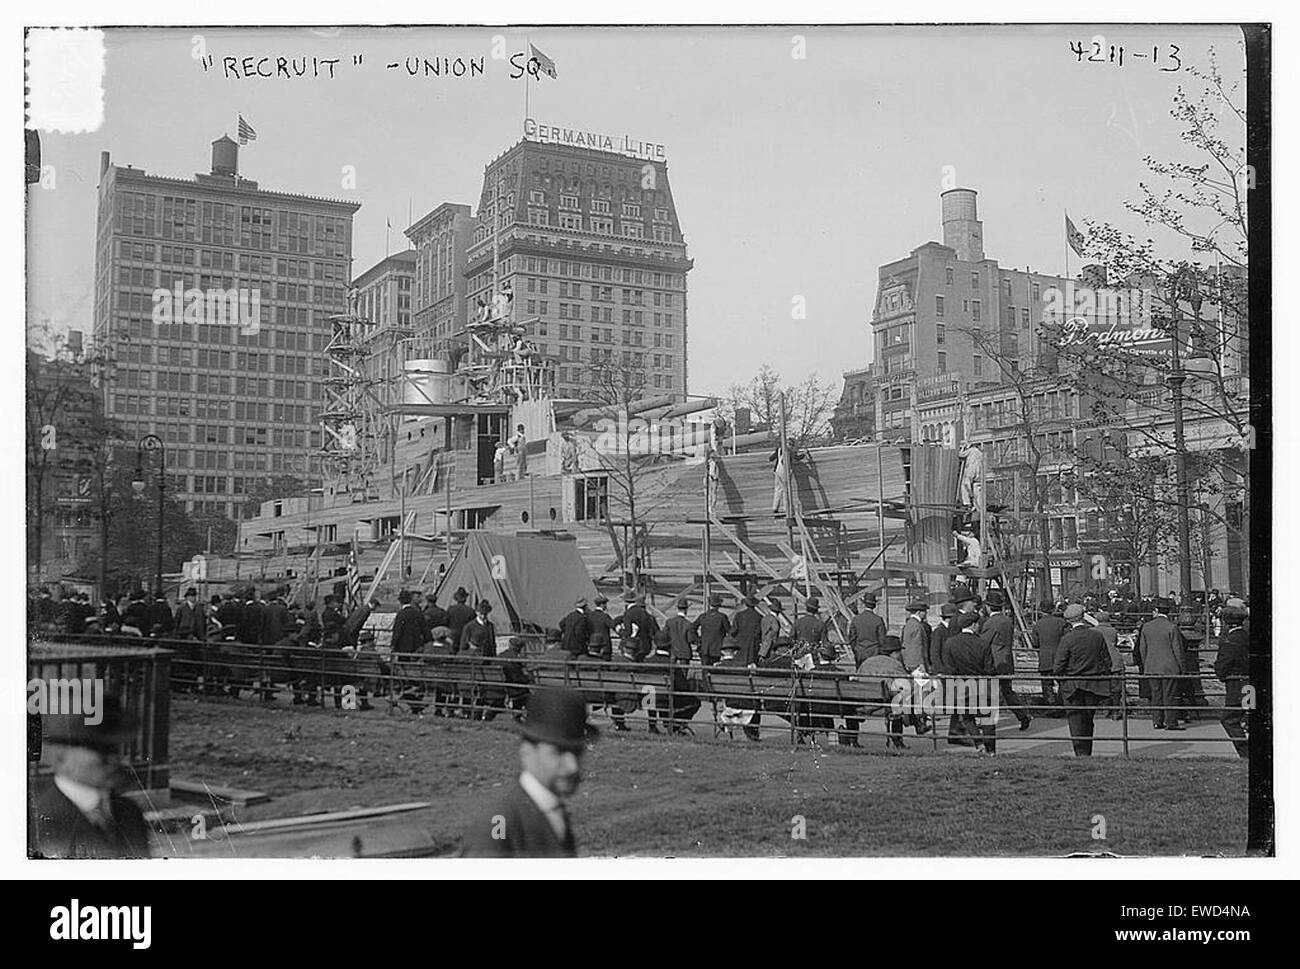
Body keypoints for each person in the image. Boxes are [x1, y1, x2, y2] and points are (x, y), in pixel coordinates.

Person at [461, 688, 595, 857]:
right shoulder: (500, 823)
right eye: (558, 752)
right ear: (527, 752)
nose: (572, 766)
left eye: (577, 752)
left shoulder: (553, 811)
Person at [29, 700, 151, 859]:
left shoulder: (129, 812)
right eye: (100, 749)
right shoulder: (36, 824)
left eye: (115, 748)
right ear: (60, 757)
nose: (115, 759)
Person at [1054, 603, 1113, 756]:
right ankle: (1088, 751)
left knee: (1075, 721)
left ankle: (1080, 753)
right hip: (1093, 684)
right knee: (1088, 719)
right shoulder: (1097, 636)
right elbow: (1107, 661)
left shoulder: (1067, 639)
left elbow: (1058, 665)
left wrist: (1063, 678)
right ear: (1083, 617)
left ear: (1069, 621)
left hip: (1073, 685)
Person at [939, 611, 998, 753]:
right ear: (973, 625)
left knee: (967, 717)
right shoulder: (982, 644)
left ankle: (979, 743)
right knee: (987, 719)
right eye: (977, 624)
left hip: (961, 685)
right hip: (981, 685)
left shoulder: (950, 643)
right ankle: (991, 750)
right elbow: (990, 668)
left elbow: (949, 669)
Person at [981, 590, 1031, 731]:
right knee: (1008, 692)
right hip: (1007, 660)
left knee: (990, 694)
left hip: (994, 662)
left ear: (988, 606)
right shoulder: (1006, 621)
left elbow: (984, 642)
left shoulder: (990, 623)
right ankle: (1023, 716)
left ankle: (989, 724)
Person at [1138, 598, 1185, 730]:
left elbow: (1143, 649)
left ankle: (1157, 721)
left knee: (1156, 694)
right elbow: (1177, 650)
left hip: (1152, 665)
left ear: (1156, 611)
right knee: (1169, 695)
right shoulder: (1172, 627)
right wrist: (1182, 667)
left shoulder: (1146, 627)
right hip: (1169, 666)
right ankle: (1171, 722)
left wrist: (1146, 663)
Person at [857, 635, 911, 750]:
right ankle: (898, 740)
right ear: (894, 652)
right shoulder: (895, 664)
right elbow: (906, 684)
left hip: (863, 704)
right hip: (885, 706)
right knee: (900, 701)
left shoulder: (866, 663)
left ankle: (852, 739)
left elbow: (856, 682)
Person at [1213, 601, 1249, 758]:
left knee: (1229, 719)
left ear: (1226, 623)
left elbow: (1223, 664)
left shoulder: (1230, 640)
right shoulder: (1247, 636)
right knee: (1250, 715)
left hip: (1236, 686)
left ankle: (1245, 752)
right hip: (1250, 685)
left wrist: (1220, 673)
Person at [1031, 601, 1069, 716]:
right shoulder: (1062, 622)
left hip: (1045, 658)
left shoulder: (1038, 624)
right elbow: (1067, 640)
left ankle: (1050, 707)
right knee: (1063, 683)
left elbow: (1035, 643)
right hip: (1060, 658)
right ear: (1053, 609)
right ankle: (1061, 706)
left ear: (1041, 610)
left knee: (1047, 685)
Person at [1094, 610, 1124, 718]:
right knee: (1116, 687)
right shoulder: (1113, 631)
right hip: (1115, 659)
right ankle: (1116, 710)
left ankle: (1107, 708)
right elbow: (1115, 643)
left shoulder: (1094, 631)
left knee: (1104, 685)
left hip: (1101, 661)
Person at [391, 589, 432, 657]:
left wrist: (393, 644)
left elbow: (397, 630)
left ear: (400, 602)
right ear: (410, 600)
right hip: (416, 644)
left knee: (403, 662)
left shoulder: (401, 614)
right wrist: (428, 641)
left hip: (403, 645)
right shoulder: (417, 613)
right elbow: (425, 628)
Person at [848, 594, 886, 666]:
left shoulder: (856, 619)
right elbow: (882, 639)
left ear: (864, 604)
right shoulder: (878, 620)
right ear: (874, 606)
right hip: (874, 652)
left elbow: (852, 638)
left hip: (860, 652)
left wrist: (856, 650)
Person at [694, 593, 731, 667]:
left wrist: (698, 640)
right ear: (719, 605)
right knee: (715, 672)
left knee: (705, 671)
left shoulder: (703, 616)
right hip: (717, 648)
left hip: (704, 648)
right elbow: (729, 631)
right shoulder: (722, 617)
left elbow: (692, 628)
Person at [618, 593, 658, 661]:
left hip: (633, 645)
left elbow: (628, 632)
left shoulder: (628, 613)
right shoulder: (645, 613)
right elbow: (653, 629)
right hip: (646, 645)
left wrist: (620, 631)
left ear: (625, 603)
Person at [730, 595, 763, 668]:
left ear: (746, 604)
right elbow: (759, 632)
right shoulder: (759, 617)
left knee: (739, 665)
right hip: (753, 644)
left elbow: (733, 631)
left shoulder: (739, 615)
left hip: (740, 643)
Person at [662, 597, 697, 664]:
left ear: (677, 608)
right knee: (683, 673)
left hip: (672, 652)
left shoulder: (669, 622)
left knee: (672, 672)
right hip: (684, 653)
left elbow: (665, 636)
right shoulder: (688, 624)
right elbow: (691, 639)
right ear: (686, 609)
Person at [759, 595, 794, 662]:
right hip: (770, 648)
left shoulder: (765, 618)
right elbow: (772, 635)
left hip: (762, 645)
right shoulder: (774, 621)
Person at [901, 599, 930, 674]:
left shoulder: (909, 624)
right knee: (922, 685)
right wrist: (921, 664)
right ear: (918, 612)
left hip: (909, 661)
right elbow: (917, 646)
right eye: (924, 611)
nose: (926, 613)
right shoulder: (917, 626)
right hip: (917, 664)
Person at [586, 595, 618, 661]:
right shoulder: (604, 616)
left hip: (592, 644)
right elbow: (612, 625)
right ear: (602, 605)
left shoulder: (590, 615)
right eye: (605, 604)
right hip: (604, 645)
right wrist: (619, 619)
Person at [930, 602, 957, 674]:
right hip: (944, 670)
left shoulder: (952, 629)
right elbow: (935, 652)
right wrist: (939, 670)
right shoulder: (939, 631)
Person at [445, 587, 476, 652]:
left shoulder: (450, 609)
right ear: (465, 599)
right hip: (465, 636)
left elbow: (446, 622)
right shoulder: (470, 611)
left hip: (452, 635)